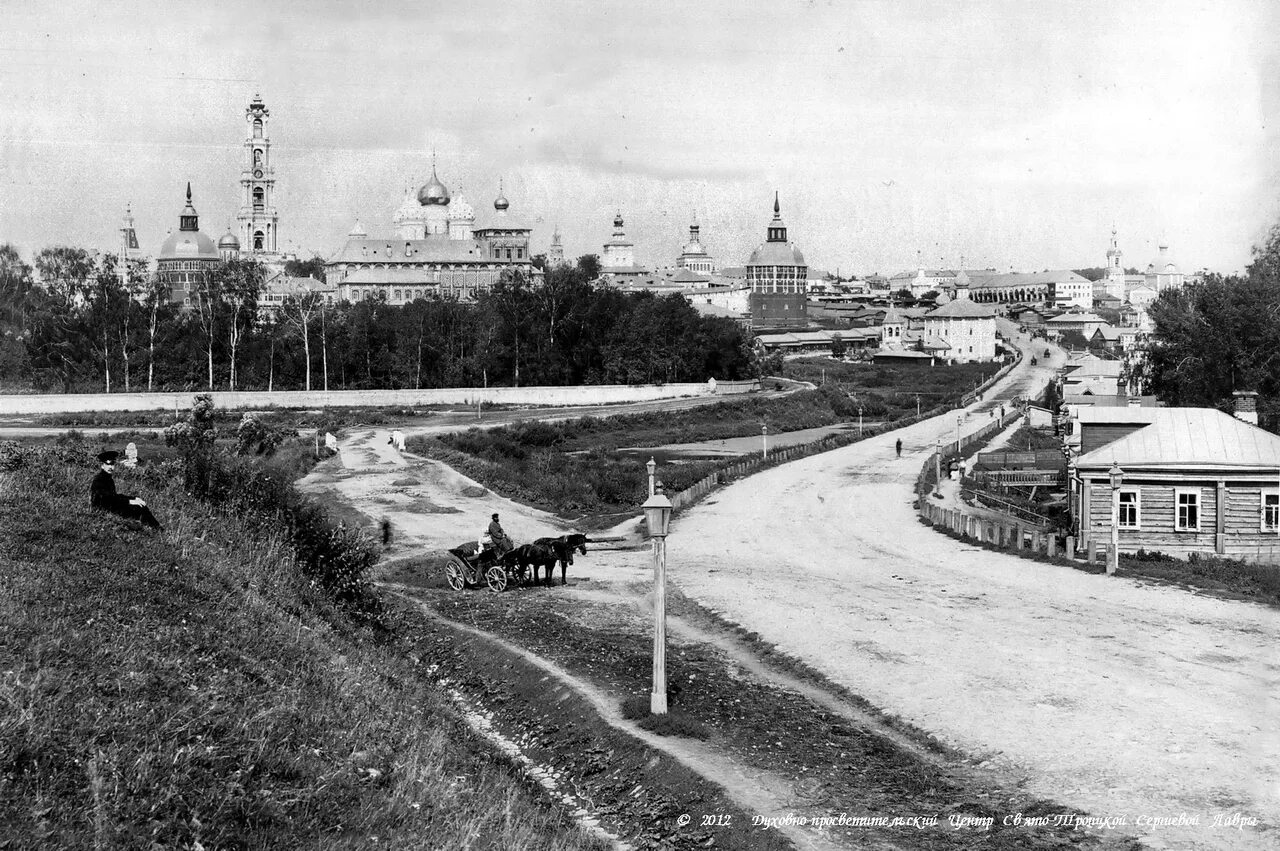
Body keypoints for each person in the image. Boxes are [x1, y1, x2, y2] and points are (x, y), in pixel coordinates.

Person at [90, 450, 162, 530]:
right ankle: (156, 529)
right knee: (138, 508)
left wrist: (133, 498)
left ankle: (155, 527)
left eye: (112, 464)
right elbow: (107, 498)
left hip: (111, 506)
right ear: (102, 465)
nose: (111, 467)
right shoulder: (99, 479)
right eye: (108, 464)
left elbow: (114, 496)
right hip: (104, 510)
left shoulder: (108, 478)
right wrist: (129, 501)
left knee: (140, 504)